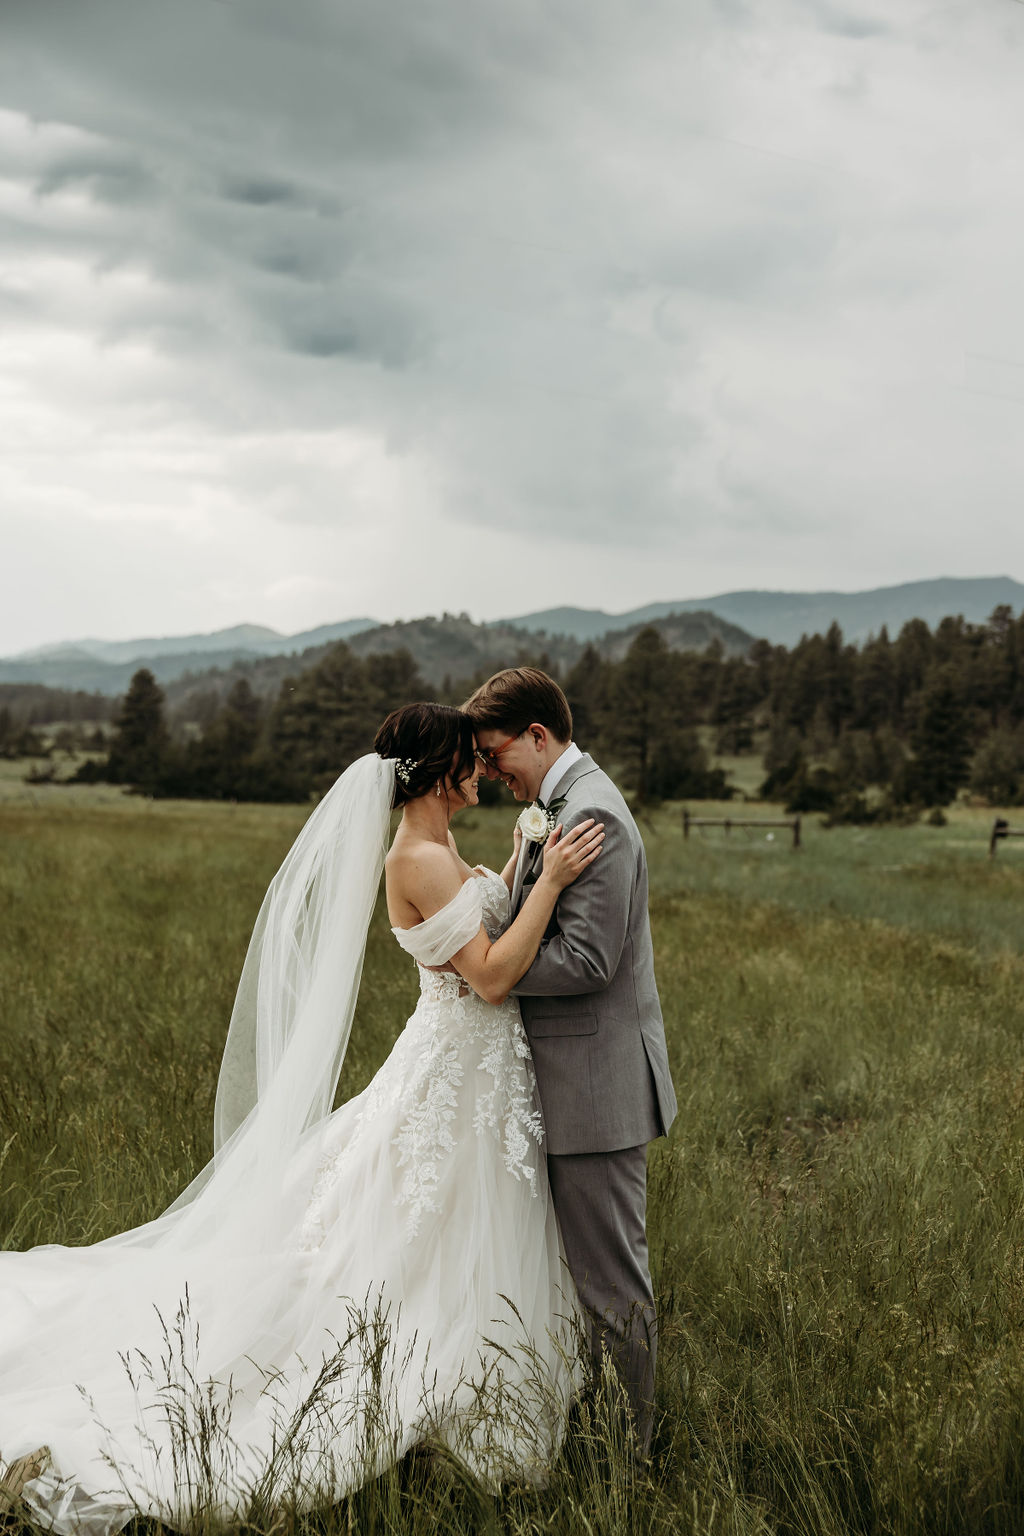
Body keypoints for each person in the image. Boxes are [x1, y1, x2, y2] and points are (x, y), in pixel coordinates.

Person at [0, 702, 605, 1535]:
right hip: (453, 1076)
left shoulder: (443, 852)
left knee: (455, 1228)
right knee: (412, 1240)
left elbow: (479, 926)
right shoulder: (417, 858)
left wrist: (514, 867)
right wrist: (557, 885)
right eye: (470, 758)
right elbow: (494, 978)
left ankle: (477, 1379)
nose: (483, 769)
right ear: (436, 772)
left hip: (476, 1077)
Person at [463, 668, 678, 1453]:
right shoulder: (553, 808)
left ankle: (630, 1459)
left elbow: (589, 960)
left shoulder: (594, 815)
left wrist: (487, 966)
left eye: (494, 754)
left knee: (611, 1285)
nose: (489, 771)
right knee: (575, 1280)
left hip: (596, 1089)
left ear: (538, 736)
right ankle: (589, 1431)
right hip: (569, 1083)